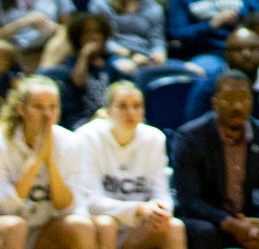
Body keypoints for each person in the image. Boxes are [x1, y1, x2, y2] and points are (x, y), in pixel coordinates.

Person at [171, 70, 259, 249]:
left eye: (243, 99)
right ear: (214, 103)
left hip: (250, 218)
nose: (237, 106)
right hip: (211, 221)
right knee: (202, 232)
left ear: (252, 102)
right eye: (229, 99)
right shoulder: (190, 138)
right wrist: (231, 224)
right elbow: (191, 200)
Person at [0, 77, 96, 249]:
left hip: (43, 226)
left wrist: (50, 163)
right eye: (38, 107)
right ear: (21, 109)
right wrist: (35, 160)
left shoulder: (72, 142)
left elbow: (69, 208)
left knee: (80, 225)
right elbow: (4, 208)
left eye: (53, 107)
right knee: (15, 226)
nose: (47, 114)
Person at [74, 81, 182, 249]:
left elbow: (163, 194)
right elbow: (91, 202)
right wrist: (138, 208)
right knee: (107, 224)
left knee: (174, 226)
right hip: (98, 223)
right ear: (108, 111)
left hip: (135, 225)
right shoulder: (88, 136)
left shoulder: (154, 138)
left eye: (137, 106)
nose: (131, 112)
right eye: (122, 106)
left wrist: (160, 209)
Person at [88, 0, 165, 75]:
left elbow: (157, 39)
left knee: (186, 71)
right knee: (125, 69)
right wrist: (131, 55)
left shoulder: (154, 8)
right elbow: (102, 41)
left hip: (147, 56)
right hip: (115, 56)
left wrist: (159, 53)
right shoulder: (99, 5)